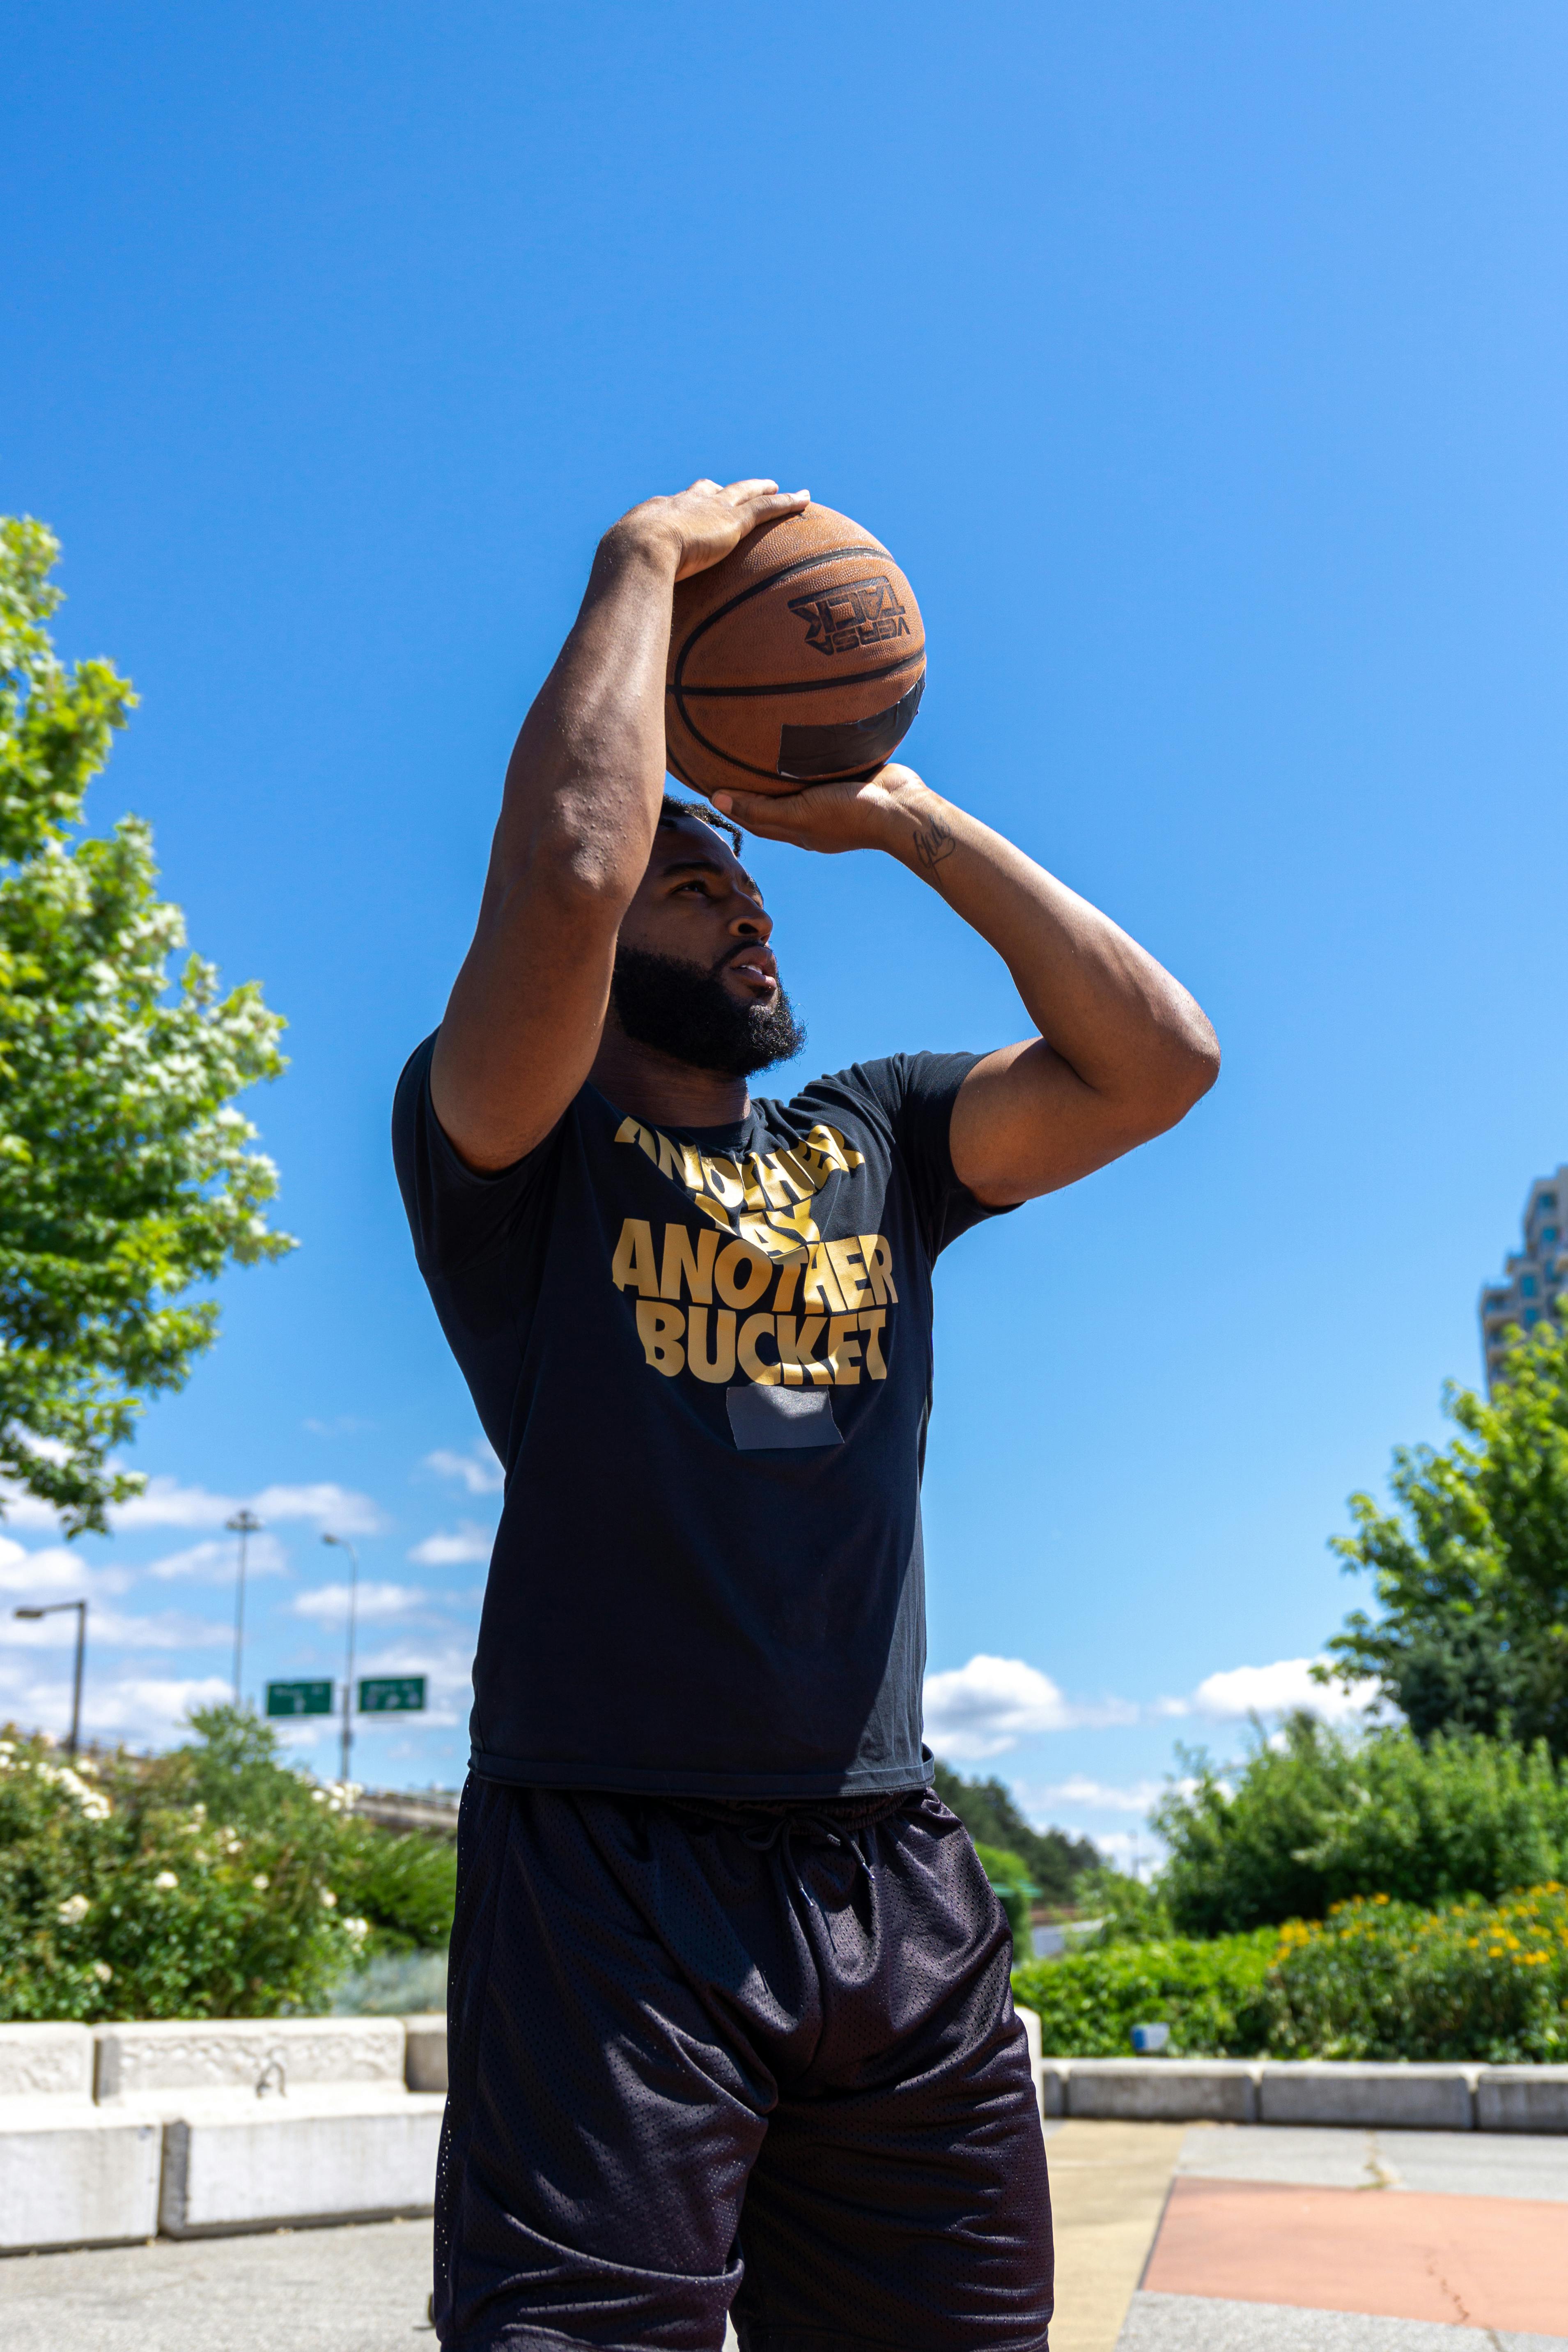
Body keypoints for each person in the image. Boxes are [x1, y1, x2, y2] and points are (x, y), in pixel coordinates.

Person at [393, 477, 1219, 2352]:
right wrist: (639, 562)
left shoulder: (878, 1137)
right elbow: (569, 869)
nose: (748, 901)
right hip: (611, 1867)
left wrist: (905, 815)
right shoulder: (517, 1141)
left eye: (749, 880)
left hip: (891, 1860)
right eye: (705, 881)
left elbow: (1158, 1058)